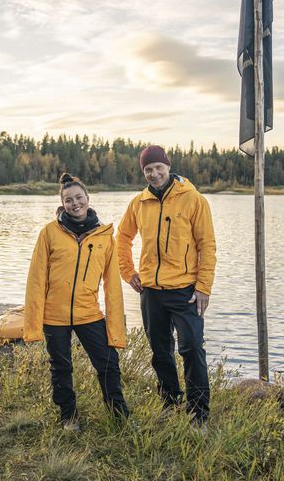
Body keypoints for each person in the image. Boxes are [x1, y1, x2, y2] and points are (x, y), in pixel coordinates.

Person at [117, 145, 216, 427]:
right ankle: (170, 404)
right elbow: (122, 238)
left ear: (167, 166)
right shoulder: (139, 202)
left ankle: (199, 414)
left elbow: (207, 245)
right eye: (148, 169)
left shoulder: (193, 199)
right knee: (161, 352)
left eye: (158, 167)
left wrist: (203, 287)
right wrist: (129, 272)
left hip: (186, 291)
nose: (154, 174)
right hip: (150, 291)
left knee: (192, 349)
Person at [24, 173, 130, 430]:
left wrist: (116, 329)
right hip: (54, 315)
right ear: (63, 203)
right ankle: (68, 418)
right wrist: (33, 325)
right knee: (61, 367)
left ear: (88, 198)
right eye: (69, 200)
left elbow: (112, 286)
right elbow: (36, 279)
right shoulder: (49, 233)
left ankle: (120, 418)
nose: (75, 203)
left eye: (79, 197)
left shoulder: (105, 236)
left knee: (109, 364)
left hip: (89, 313)